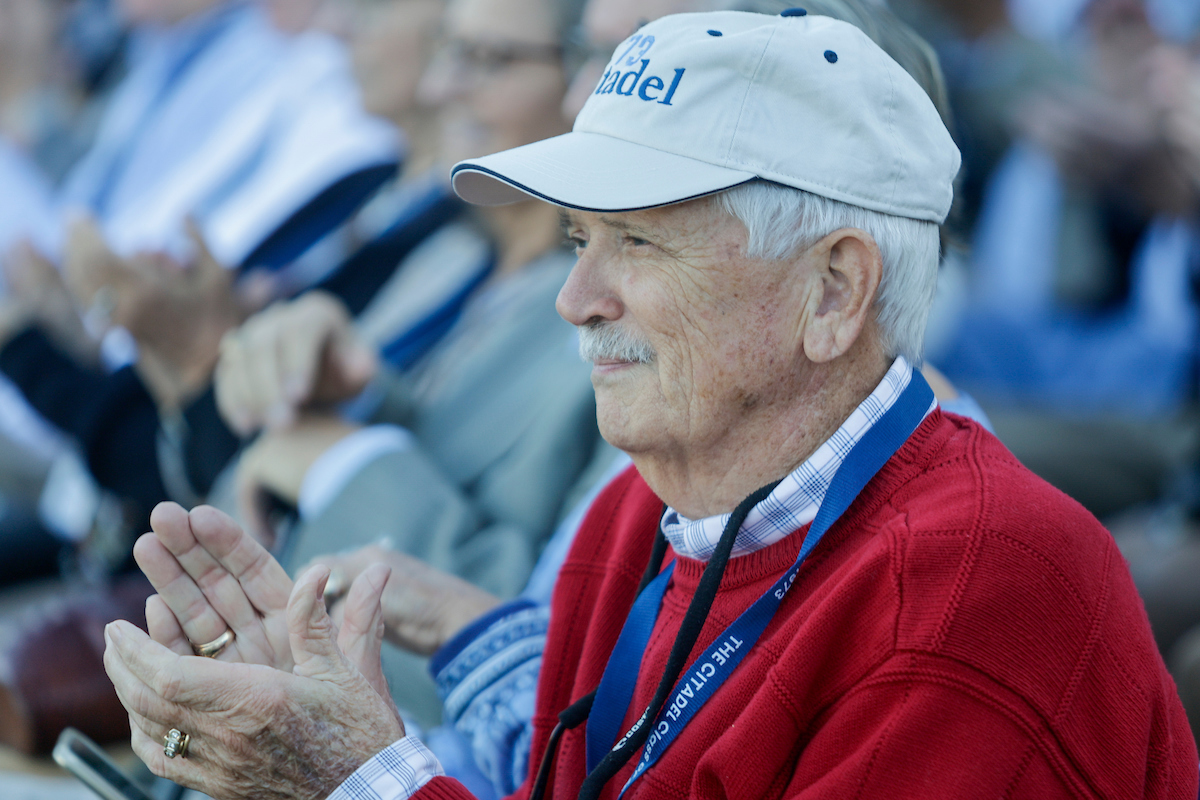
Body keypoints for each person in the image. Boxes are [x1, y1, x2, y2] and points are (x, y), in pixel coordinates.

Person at [106, 9, 1197, 800]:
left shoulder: (983, 588)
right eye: (580, 239)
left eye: (639, 240)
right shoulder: (645, 510)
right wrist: (315, 736)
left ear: (833, 291)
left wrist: (357, 781)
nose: (577, 300)